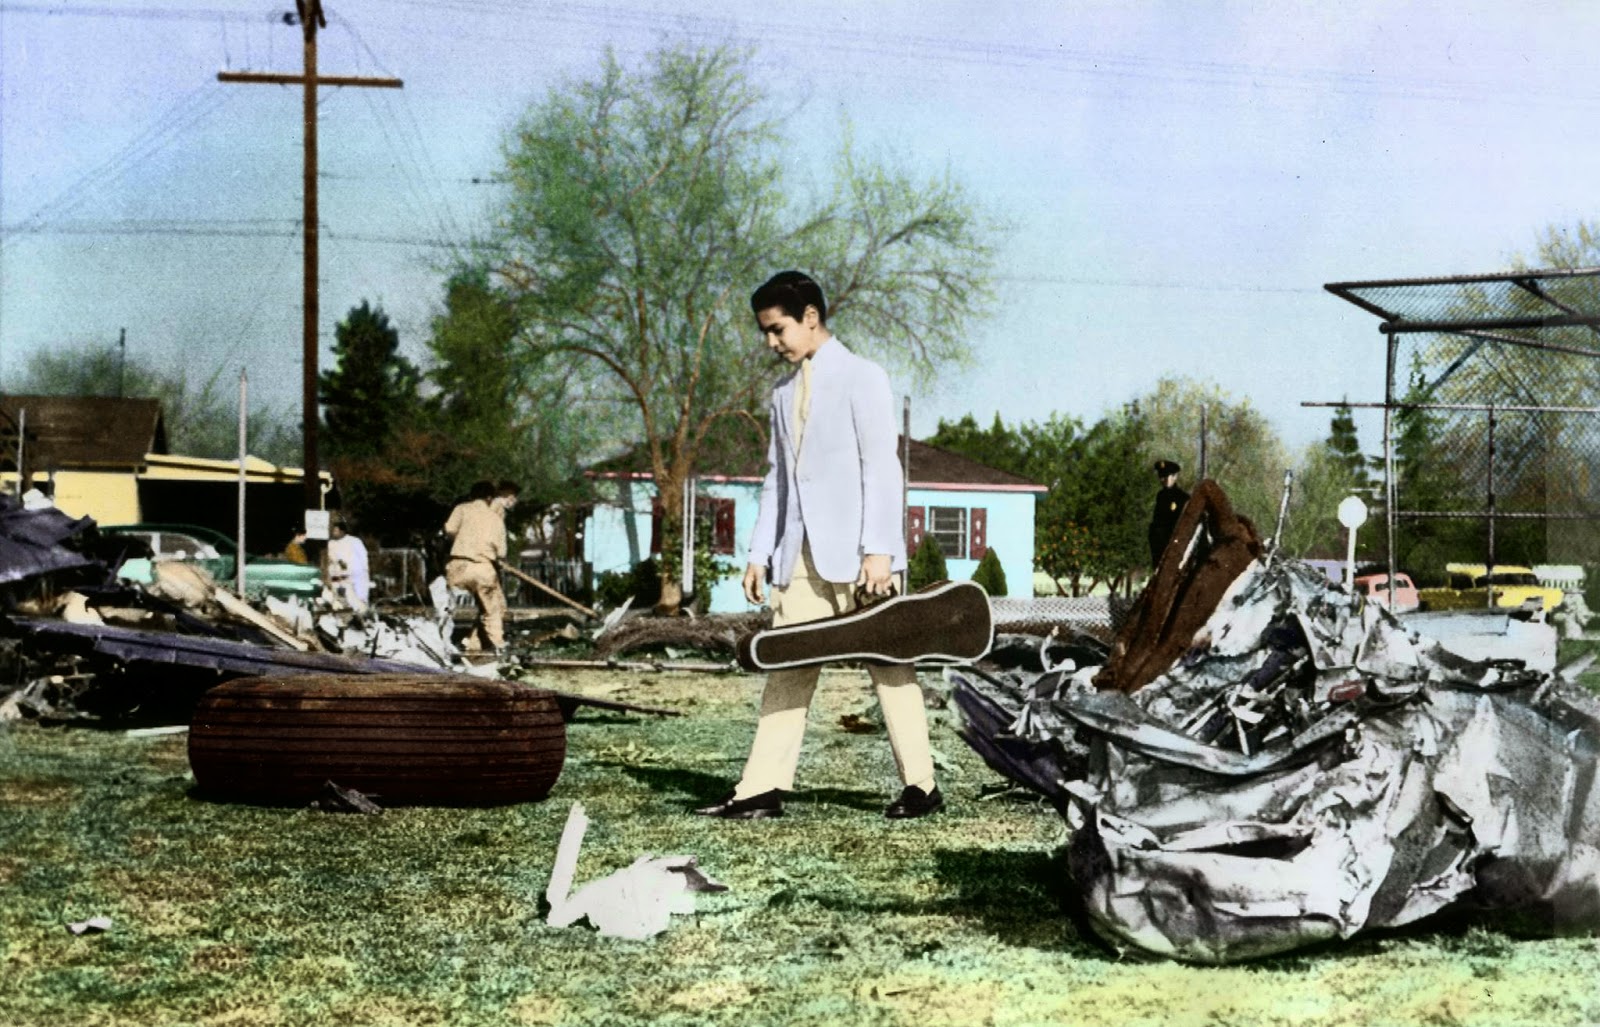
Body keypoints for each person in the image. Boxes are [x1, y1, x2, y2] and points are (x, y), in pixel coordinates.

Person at [696, 270, 942, 821]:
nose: (771, 343)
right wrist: (761, 551)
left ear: (811, 317)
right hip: (799, 557)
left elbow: (882, 466)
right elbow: (777, 478)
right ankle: (760, 789)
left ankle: (922, 787)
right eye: (764, 332)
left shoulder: (863, 377)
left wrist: (880, 550)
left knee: (891, 666)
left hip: (861, 557)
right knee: (788, 663)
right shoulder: (782, 394)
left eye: (777, 329)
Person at [443, 479, 511, 653]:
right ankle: (498, 645)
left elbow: (449, 530)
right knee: (492, 610)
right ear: (490, 498)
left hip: (459, 565)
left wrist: (462, 539)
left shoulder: (461, 509)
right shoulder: (496, 518)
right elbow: (502, 553)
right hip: (483, 567)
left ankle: (450, 641)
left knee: (450, 607)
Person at [1148, 459, 1190, 568]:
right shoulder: (1160, 496)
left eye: (1169, 476)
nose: (1166, 480)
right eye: (1163, 476)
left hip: (1175, 546)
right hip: (1159, 547)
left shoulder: (1183, 497)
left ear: (1175, 477)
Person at [326, 515, 371, 610]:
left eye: (336, 531)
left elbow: (363, 557)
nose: (334, 533)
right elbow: (332, 560)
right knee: (339, 598)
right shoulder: (332, 544)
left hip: (355, 575)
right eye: (333, 531)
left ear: (342, 532)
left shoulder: (354, 541)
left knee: (357, 599)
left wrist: (362, 571)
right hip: (338, 575)